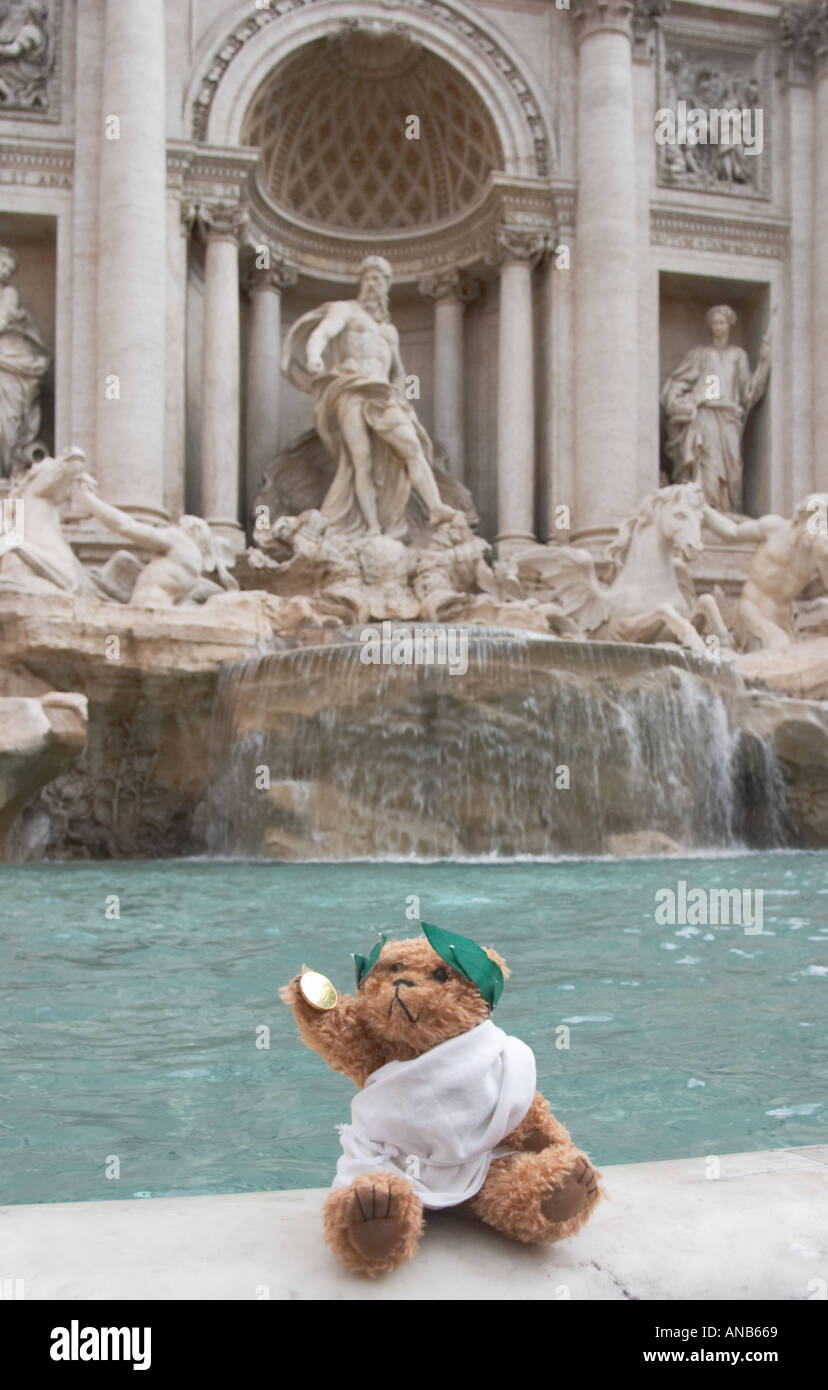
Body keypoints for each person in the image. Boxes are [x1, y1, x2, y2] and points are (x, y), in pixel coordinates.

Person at [281, 255, 459, 539]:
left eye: (380, 279)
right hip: (350, 389)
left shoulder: (390, 331)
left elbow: (399, 372)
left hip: (384, 395)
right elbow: (322, 333)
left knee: (412, 447)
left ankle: (435, 506)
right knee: (359, 459)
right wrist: (315, 356)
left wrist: (403, 398)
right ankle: (373, 527)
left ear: (387, 287)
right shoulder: (346, 311)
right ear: (361, 282)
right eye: (370, 278)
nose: (375, 284)